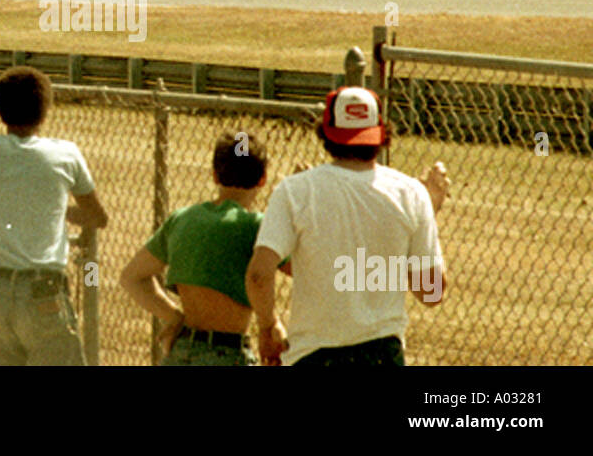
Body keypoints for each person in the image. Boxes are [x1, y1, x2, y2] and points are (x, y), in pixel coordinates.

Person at [246, 86, 449, 367]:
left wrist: (267, 327)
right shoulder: (411, 193)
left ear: (326, 133)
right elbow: (431, 292)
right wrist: (429, 210)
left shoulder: (296, 190)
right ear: (381, 134)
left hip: (316, 356)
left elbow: (259, 274)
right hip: (383, 355)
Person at [0, 66, 108, 366]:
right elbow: (97, 217)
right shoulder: (65, 153)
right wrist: (53, 209)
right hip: (44, 291)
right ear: (45, 110)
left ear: (0, 109)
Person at [120, 131, 289, 366]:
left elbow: (132, 277)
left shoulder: (182, 219)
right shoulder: (257, 226)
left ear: (215, 176)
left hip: (181, 350)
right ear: (263, 179)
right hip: (228, 352)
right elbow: (298, 267)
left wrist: (174, 316)